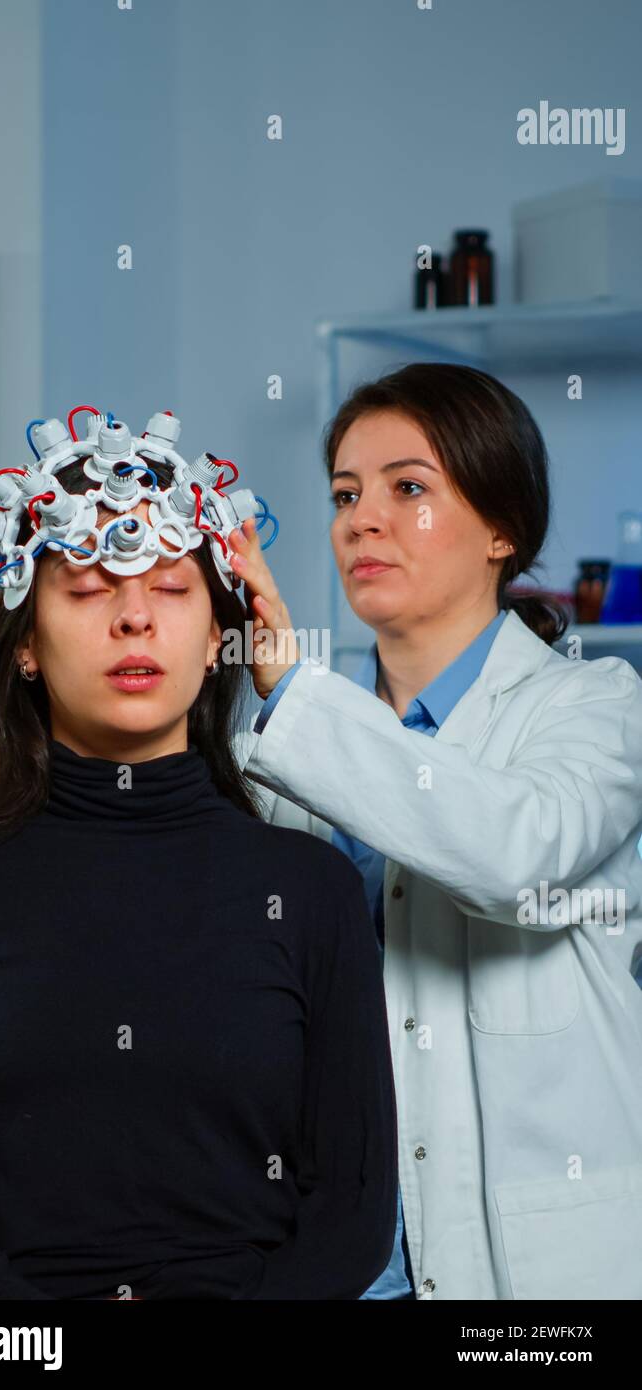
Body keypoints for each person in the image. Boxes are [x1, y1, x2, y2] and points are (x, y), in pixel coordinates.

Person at [0, 452, 397, 1301]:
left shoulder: (309, 890)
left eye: (171, 588)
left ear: (217, 638)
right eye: (87, 589)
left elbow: (352, 1208)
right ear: (24, 647)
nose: (134, 617)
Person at [228, 363, 642, 1301]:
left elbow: (515, 855)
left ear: (502, 531)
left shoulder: (596, 706)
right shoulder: (284, 742)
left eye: (407, 488)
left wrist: (290, 696)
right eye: (345, 495)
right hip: (343, 1263)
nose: (361, 521)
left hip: (540, 1279)